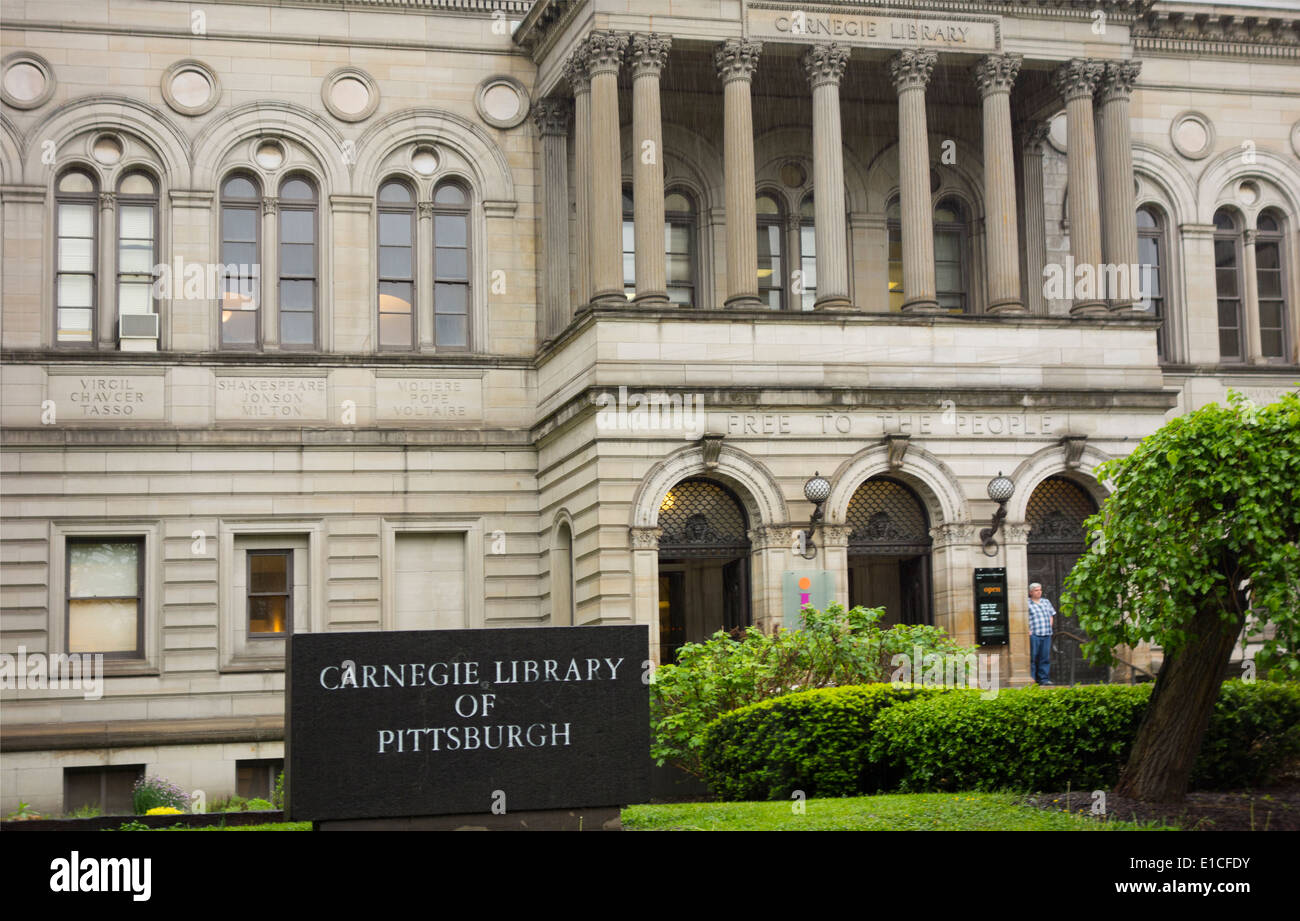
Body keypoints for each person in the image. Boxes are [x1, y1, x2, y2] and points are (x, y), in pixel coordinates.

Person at [1027, 582, 1056, 685]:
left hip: (1046, 634)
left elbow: (1051, 615)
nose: (1039, 592)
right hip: (1034, 634)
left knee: (1045, 658)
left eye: (1040, 590)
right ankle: (1032, 679)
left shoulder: (1046, 602)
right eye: (1036, 590)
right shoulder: (1027, 603)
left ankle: (1044, 679)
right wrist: (1028, 630)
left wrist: (1050, 626)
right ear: (1031, 592)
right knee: (1033, 658)